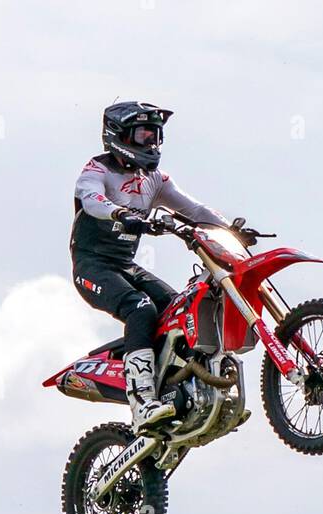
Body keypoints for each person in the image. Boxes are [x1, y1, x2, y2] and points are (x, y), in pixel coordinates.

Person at [71, 102, 231, 432]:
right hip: (92, 267)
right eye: (143, 135)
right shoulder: (96, 172)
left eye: (155, 135)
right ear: (119, 136)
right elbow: (92, 201)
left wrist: (230, 230)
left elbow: (194, 208)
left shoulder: (153, 180)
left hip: (126, 266)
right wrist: (120, 213)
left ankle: (180, 391)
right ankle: (142, 400)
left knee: (181, 309)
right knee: (140, 308)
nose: (151, 143)